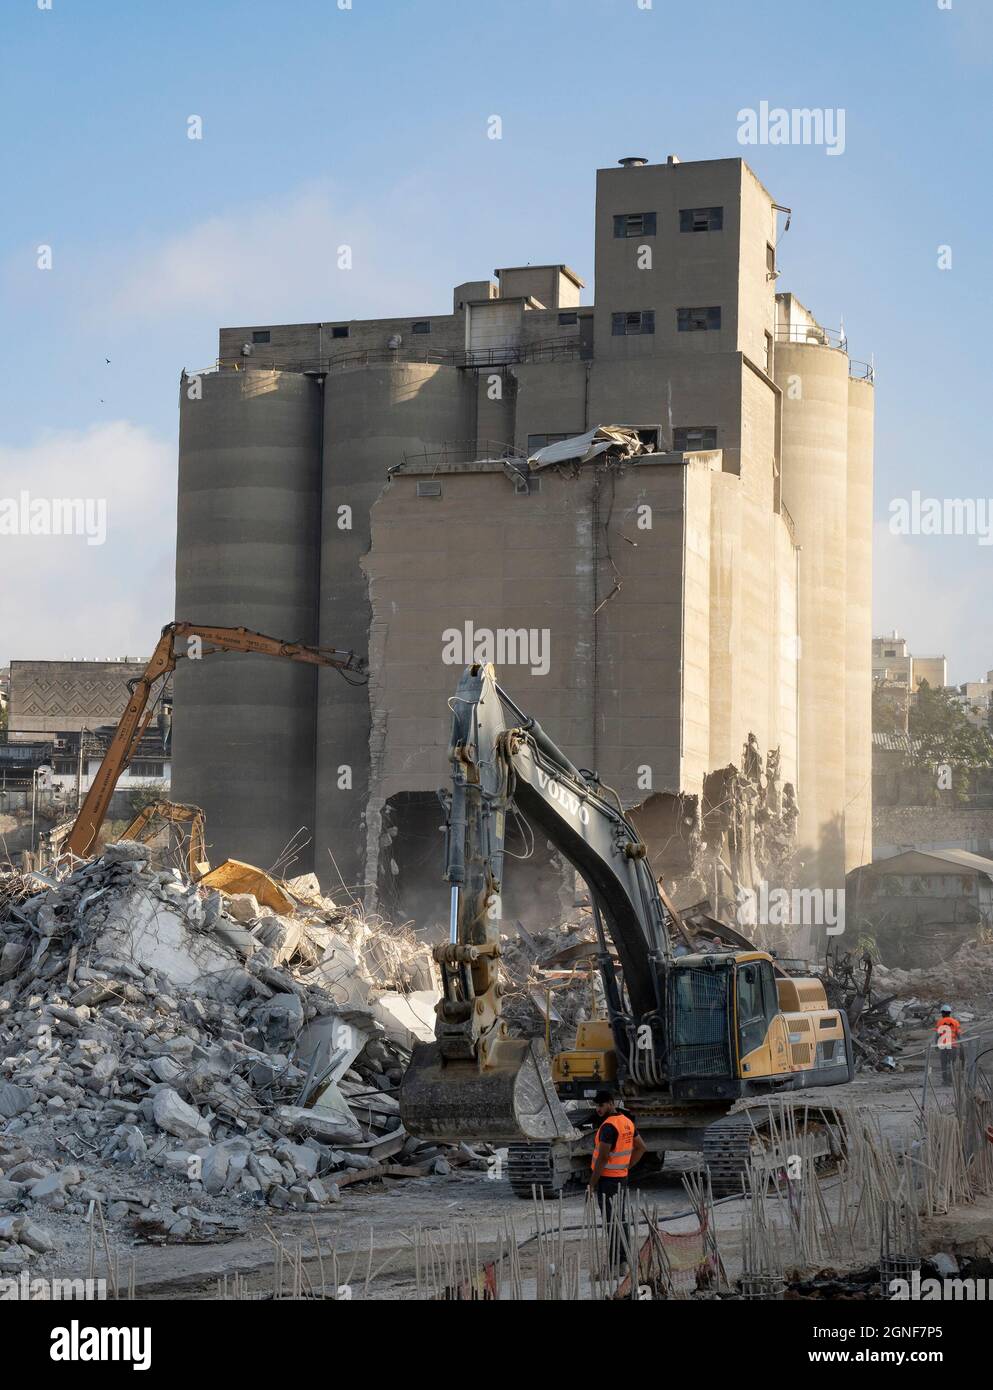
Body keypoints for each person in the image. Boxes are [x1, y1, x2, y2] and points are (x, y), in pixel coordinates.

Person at [588, 1089, 646, 1222]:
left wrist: (591, 1185)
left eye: (601, 1105)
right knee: (619, 1217)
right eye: (596, 1106)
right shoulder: (626, 1122)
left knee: (611, 1221)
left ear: (610, 1103)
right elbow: (641, 1147)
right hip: (621, 1178)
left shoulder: (608, 1127)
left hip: (607, 1180)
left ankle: (616, 1243)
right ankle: (622, 1243)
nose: (598, 1109)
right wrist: (626, 1166)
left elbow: (602, 1158)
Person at [934, 1004, 962, 1085]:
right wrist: (961, 1045)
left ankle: (945, 1081)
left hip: (943, 1046)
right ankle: (951, 1080)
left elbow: (937, 1035)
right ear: (950, 1012)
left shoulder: (940, 1022)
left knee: (944, 1064)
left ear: (943, 1013)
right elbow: (959, 1035)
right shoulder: (955, 1022)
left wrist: (936, 1045)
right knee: (952, 1063)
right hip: (953, 1046)